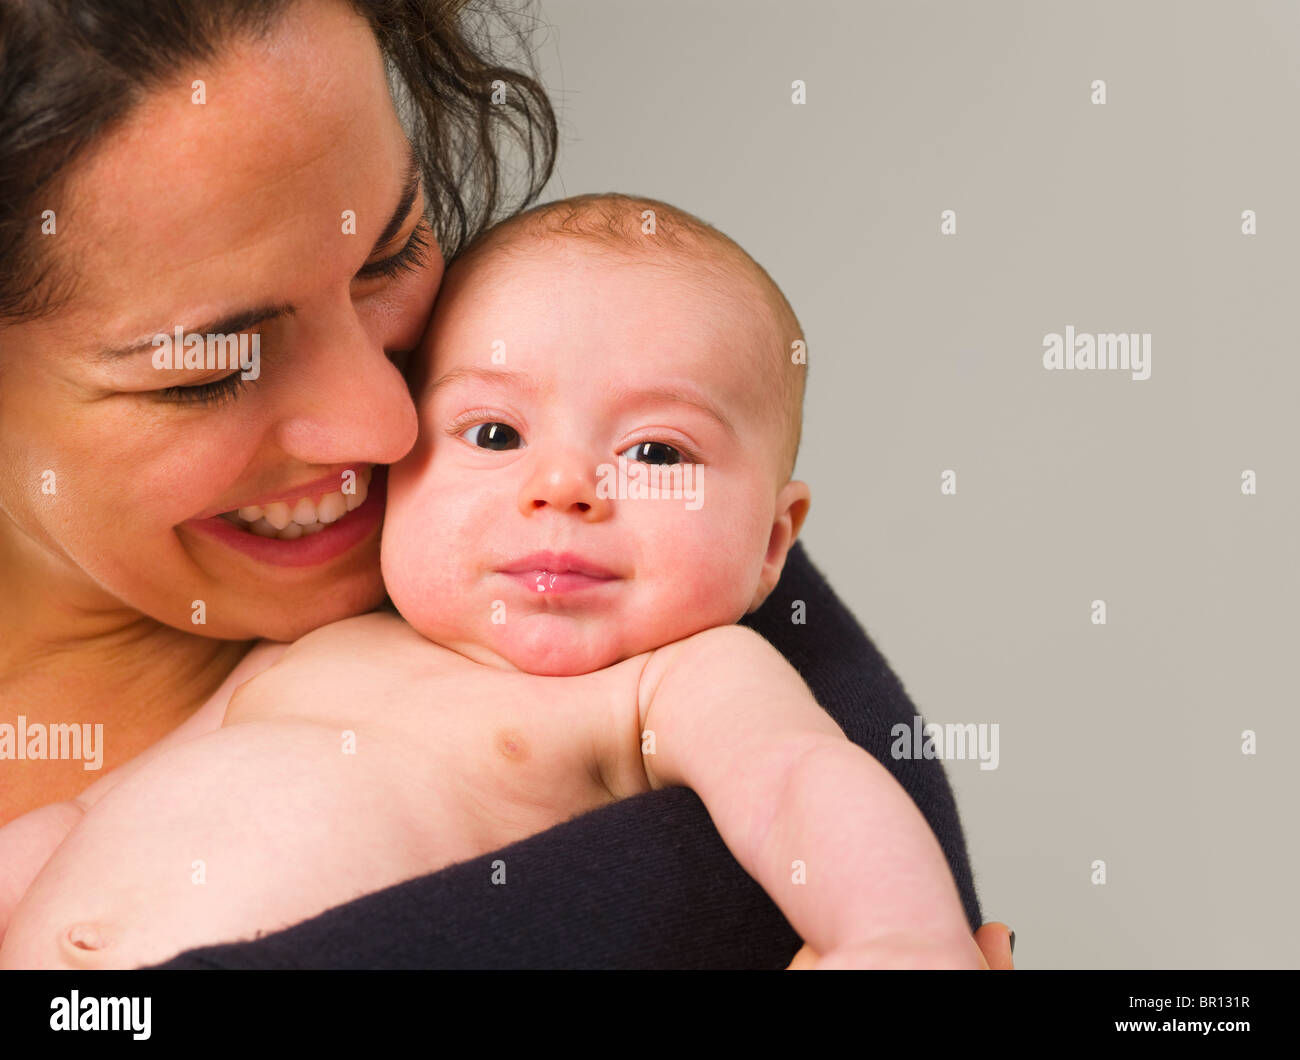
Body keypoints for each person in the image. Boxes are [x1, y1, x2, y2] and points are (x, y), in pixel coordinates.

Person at [0, 0, 1007, 968]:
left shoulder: (677, 669)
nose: (389, 426)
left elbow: (802, 782)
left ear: (773, 540)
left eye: (391, 253)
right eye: (211, 368)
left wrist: (900, 937)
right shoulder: (312, 664)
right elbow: (91, 819)